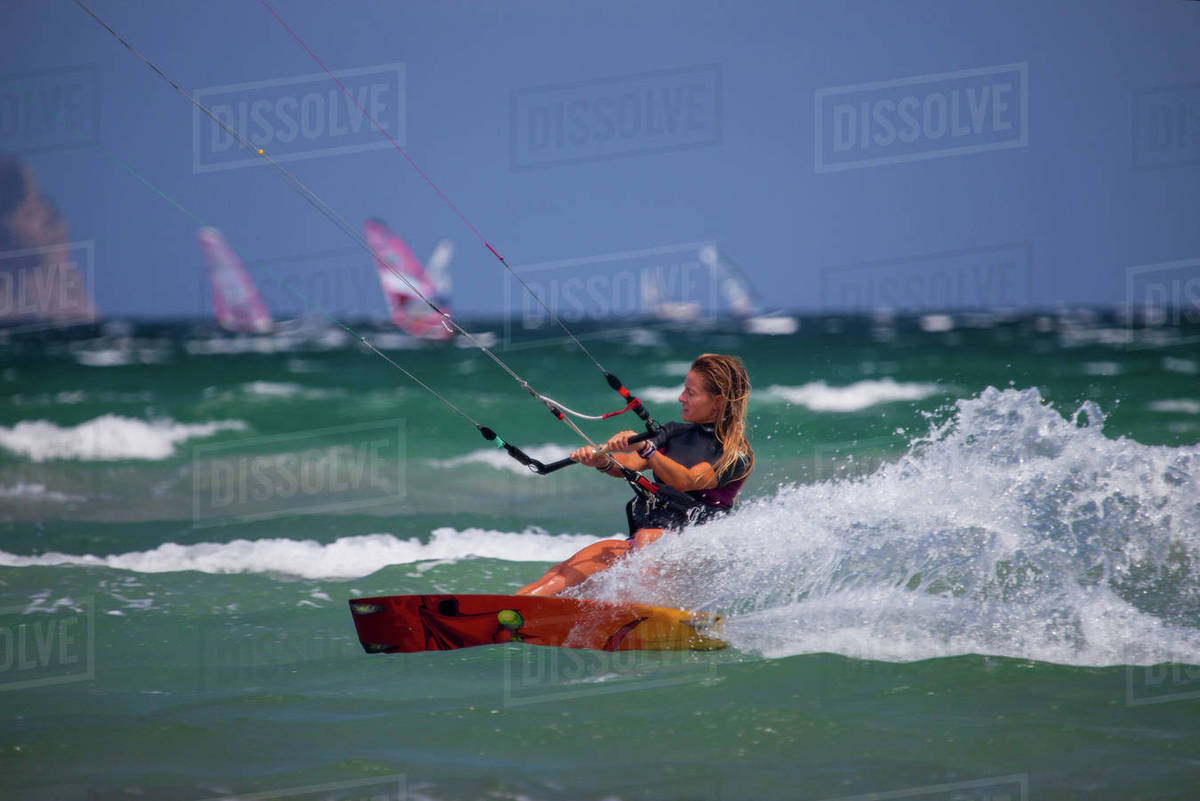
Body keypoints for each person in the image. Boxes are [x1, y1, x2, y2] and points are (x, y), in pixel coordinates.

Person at [516, 353, 754, 596]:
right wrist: (601, 460)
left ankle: (636, 613)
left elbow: (686, 480)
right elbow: (629, 464)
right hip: (649, 550)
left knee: (649, 540)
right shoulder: (673, 432)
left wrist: (646, 447)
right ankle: (510, 610)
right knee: (572, 569)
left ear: (717, 402)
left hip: (696, 555)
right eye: (684, 390)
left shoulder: (736, 454)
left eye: (690, 393)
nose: (681, 397)